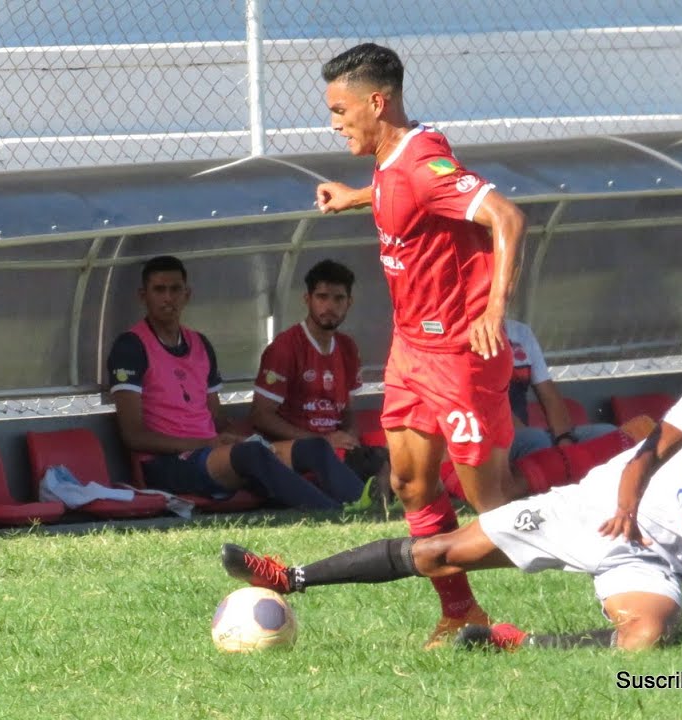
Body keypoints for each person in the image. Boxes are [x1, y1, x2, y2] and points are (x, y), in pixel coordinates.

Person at [221, 331, 682, 651]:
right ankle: (290, 577)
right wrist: (623, 508)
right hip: (595, 507)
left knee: (648, 633)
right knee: (442, 552)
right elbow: (645, 457)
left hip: (653, 557)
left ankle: (518, 644)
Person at [311, 43, 528, 647]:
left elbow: (507, 219)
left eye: (338, 110)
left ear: (376, 103)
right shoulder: (390, 160)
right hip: (411, 351)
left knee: (496, 508)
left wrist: (493, 309)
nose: (332, 123)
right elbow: (401, 200)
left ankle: (610, 549)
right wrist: (352, 196)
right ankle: (462, 612)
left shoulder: (422, 161)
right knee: (409, 483)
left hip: (460, 355)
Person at [108, 256, 365, 510]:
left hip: (211, 454)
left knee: (314, 447)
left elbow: (216, 417)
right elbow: (134, 436)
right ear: (143, 296)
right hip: (167, 463)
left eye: (175, 289)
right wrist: (208, 443)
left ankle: (367, 510)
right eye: (159, 290)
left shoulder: (200, 344)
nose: (168, 298)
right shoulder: (131, 347)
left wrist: (239, 437)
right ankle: (330, 514)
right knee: (250, 455)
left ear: (187, 294)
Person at [250, 259, 391, 505]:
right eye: (322, 297)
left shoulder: (347, 347)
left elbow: (345, 409)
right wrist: (321, 440)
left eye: (338, 299)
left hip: (336, 445)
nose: (330, 306)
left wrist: (350, 436)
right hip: (299, 448)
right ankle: (365, 502)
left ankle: (392, 504)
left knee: (394, 449)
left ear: (350, 302)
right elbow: (261, 415)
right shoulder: (285, 347)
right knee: (328, 454)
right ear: (307, 299)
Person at [506, 318, 617, 460]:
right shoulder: (471, 334)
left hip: (527, 436)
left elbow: (548, 395)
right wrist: (530, 436)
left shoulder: (521, 332)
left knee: (609, 434)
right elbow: (489, 405)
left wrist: (564, 439)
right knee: (535, 440)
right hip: (492, 441)